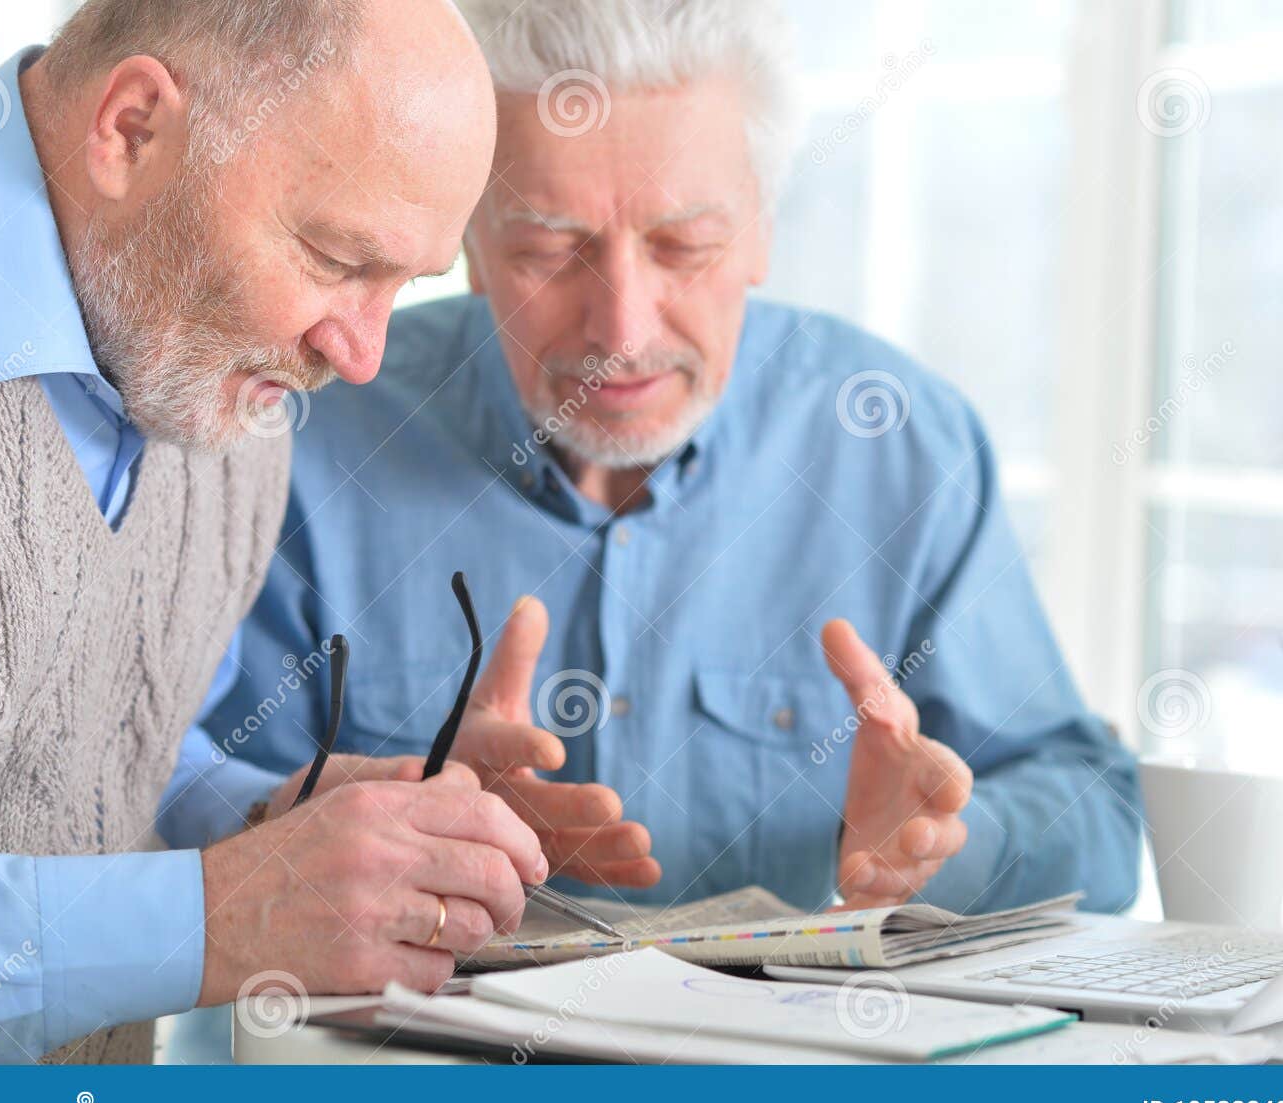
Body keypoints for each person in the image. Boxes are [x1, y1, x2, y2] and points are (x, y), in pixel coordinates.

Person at [180, 0, 1141, 926]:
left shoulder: (898, 444)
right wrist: (385, 813)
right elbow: (172, 804)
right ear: (465, 244)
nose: (622, 331)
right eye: (551, 251)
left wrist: (947, 844)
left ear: (762, 230)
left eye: (684, 246)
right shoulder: (311, 434)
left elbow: (1101, 819)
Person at [0, 0, 546, 1065]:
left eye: (403, 284)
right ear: (130, 129)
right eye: (337, 256)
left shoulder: (223, 377)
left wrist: (273, 823)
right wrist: (213, 915)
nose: (359, 354)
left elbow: (101, 753)